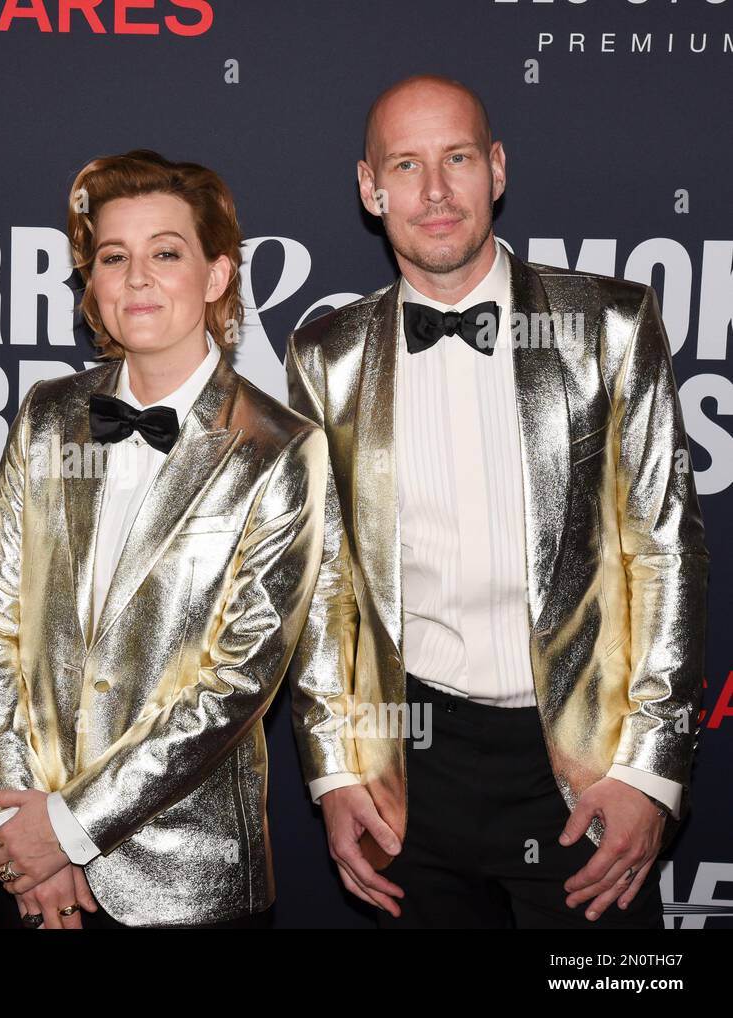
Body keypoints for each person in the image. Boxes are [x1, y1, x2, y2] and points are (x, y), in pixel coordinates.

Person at [287, 74, 707, 928]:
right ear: (370, 189)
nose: (435, 192)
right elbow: (321, 584)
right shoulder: (323, 356)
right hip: (408, 764)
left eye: (458, 159)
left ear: (498, 170)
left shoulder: (610, 325)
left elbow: (662, 550)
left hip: (587, 760)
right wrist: (335, 770)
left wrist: (650, 771)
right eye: (405, 165)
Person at [0, 150, 328, 928]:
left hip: (187, 880)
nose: (136, 278)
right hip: (27, 859)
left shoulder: (280, 446)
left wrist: (69, 830)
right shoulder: (47, 413)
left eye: (166, 253)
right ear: (90, 280)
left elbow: (237, 681)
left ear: (218, 276)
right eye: (113, 257)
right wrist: (19, 830)